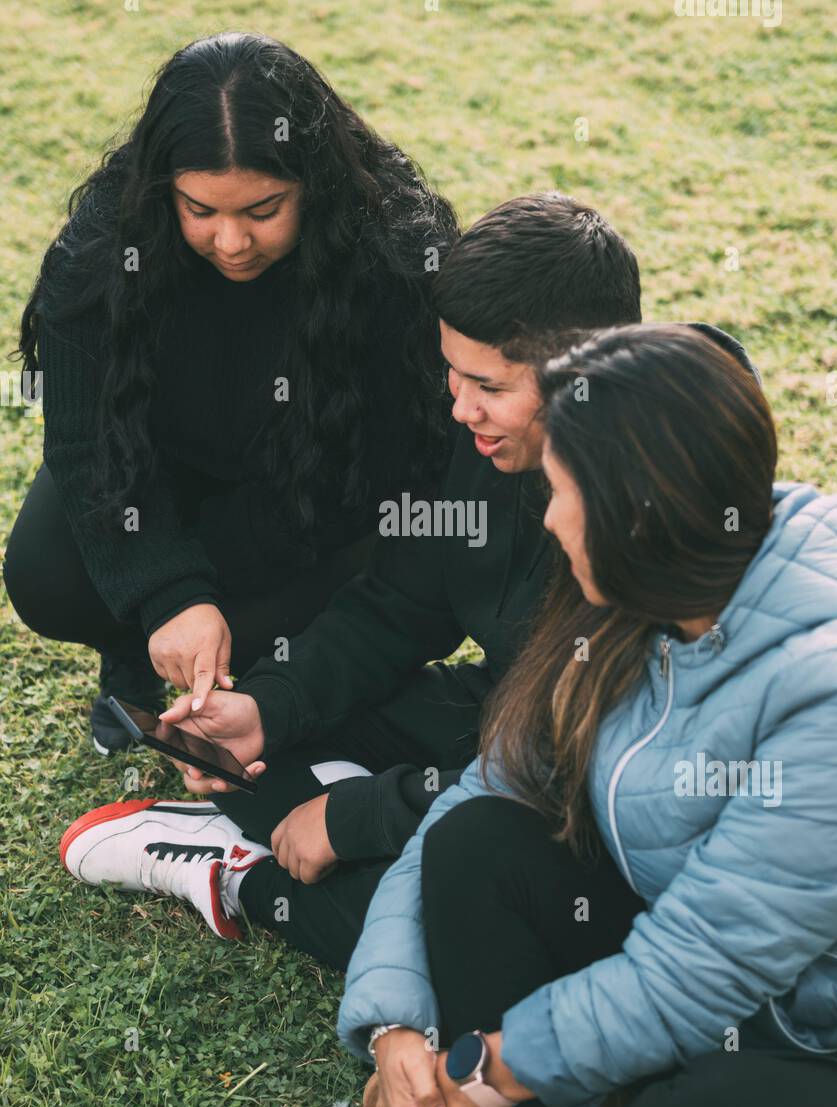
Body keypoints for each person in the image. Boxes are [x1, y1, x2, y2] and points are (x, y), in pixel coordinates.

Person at [61, 195, 664, 961]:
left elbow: (581, 766)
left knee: (480, 928)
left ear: (588, 373)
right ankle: (321, 836)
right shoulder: (491, 442)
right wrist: (268, 711)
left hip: (591, 786)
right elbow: (404, 603)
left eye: (488, 386)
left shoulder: (660, 496)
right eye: (451, 374)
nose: (459, 407)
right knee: (264, 751)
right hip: (504, 713)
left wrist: (364, 815)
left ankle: (248, 878)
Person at [336, 323, 837, 1107]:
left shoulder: (836, 699)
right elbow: (480, 796)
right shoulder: (645, 597)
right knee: (480, 846)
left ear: (634, 510)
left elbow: (700, 972)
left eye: (559, 491)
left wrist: (480, 1074)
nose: (547, 520)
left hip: (829, 1037)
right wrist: (399, 1026)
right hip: (707, 987)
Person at [3, 30, 458, 754]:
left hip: (313, 498)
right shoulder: (100, 250)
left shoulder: (389, 253)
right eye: (201, 210)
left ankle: (257, 677)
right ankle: (132, 651)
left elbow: (395, 459)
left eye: (262, 210)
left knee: (259, 626)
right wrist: (167, 594)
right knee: (44, 574)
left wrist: (210, 587)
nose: (232, 242)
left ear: (315, 183)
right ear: (162, 188)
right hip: (160, 472)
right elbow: (85, 444)